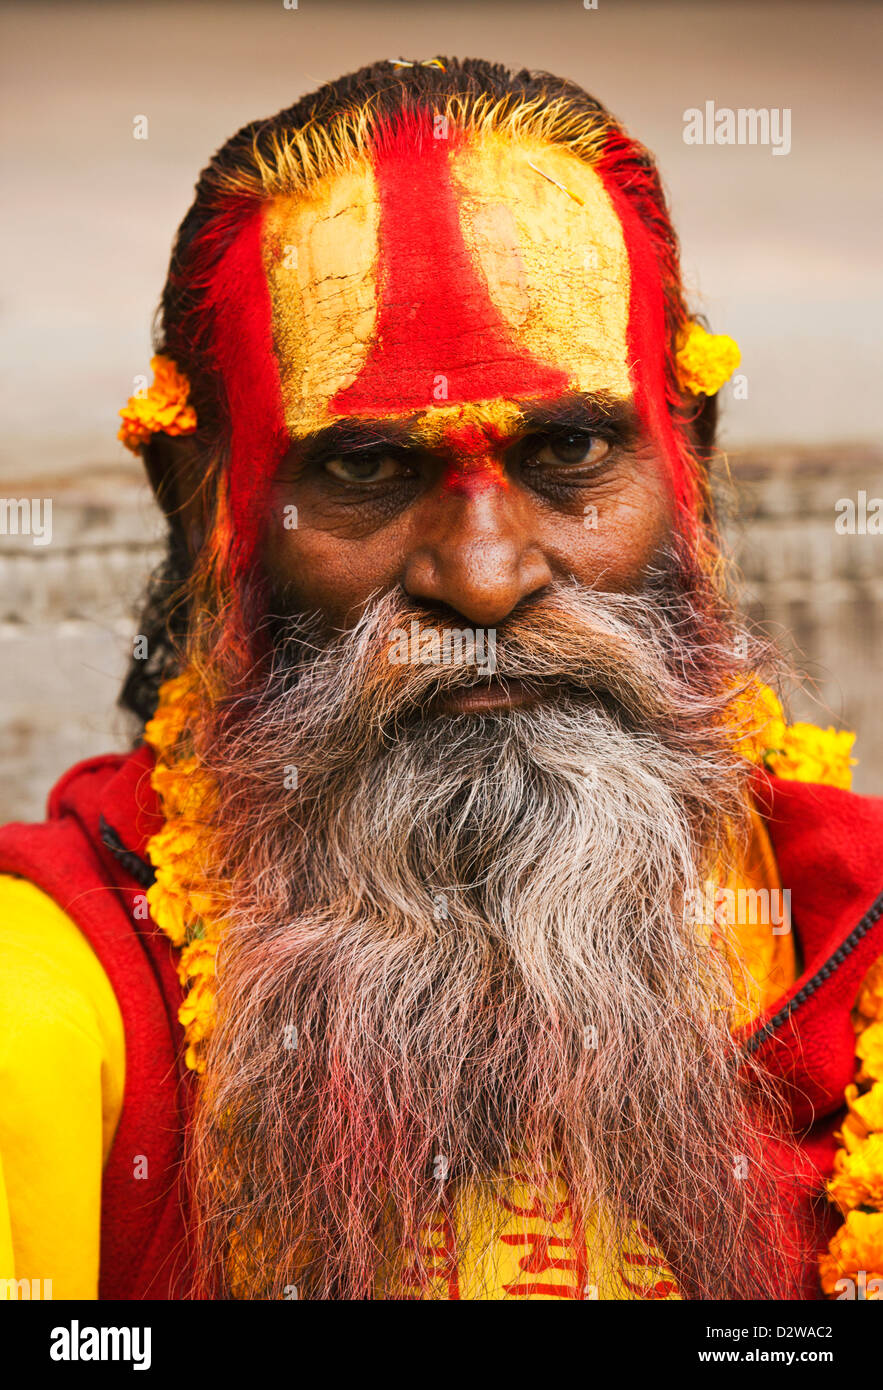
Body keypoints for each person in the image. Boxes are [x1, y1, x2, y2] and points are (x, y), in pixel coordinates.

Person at [1, 57, 881, 1302]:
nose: (481, 576)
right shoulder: (40, 1012)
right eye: (365, 467)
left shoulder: (857, 936)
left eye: (569, 448)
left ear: (689, 464)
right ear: (207, 504)